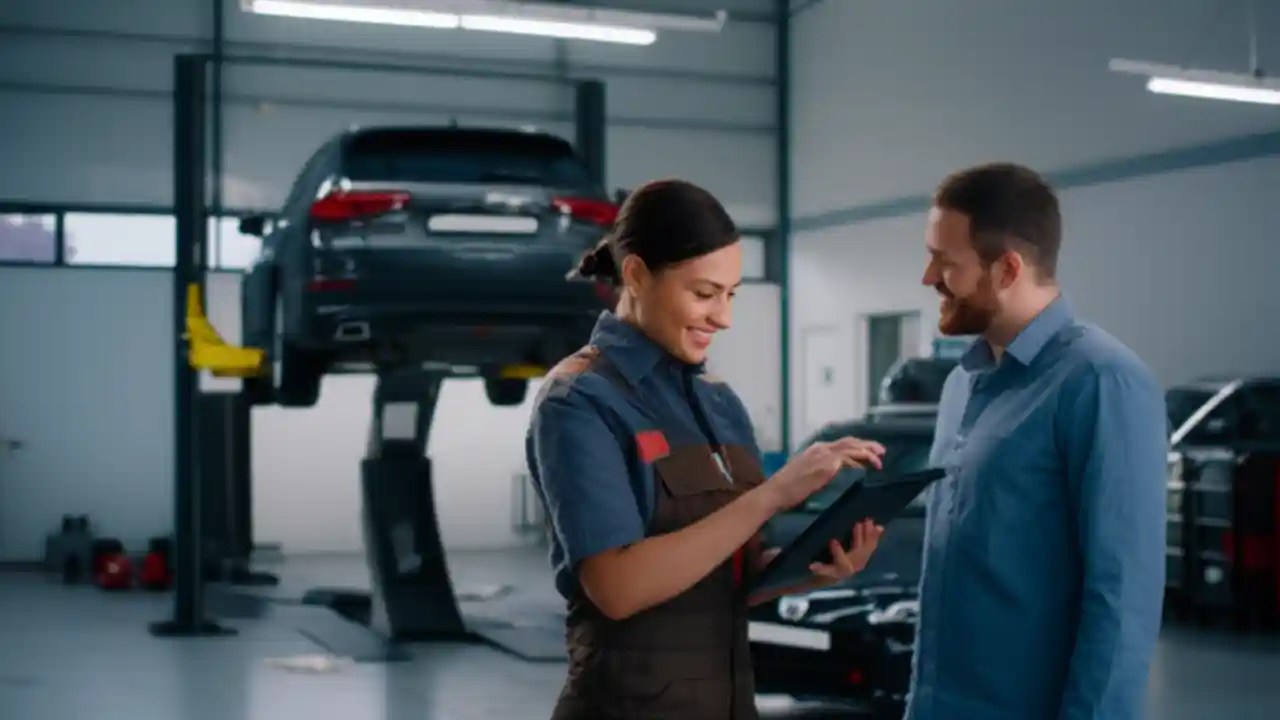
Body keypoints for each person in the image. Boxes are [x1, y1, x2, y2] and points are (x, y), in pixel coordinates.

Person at [525, 178, 887, 720]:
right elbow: (618, 588)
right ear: (637, 276)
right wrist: (772, 495)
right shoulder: (579, 400)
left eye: (731, 293)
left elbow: (726, 575)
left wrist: (808, 569)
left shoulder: (720, 403)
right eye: (703, 293)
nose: (724, 317)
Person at [905, 162, 1169, 719]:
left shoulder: (1100, 381)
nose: (928, 277)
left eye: (945, 262)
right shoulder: (961, 385)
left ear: (1006, 270)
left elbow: (1121, 601)